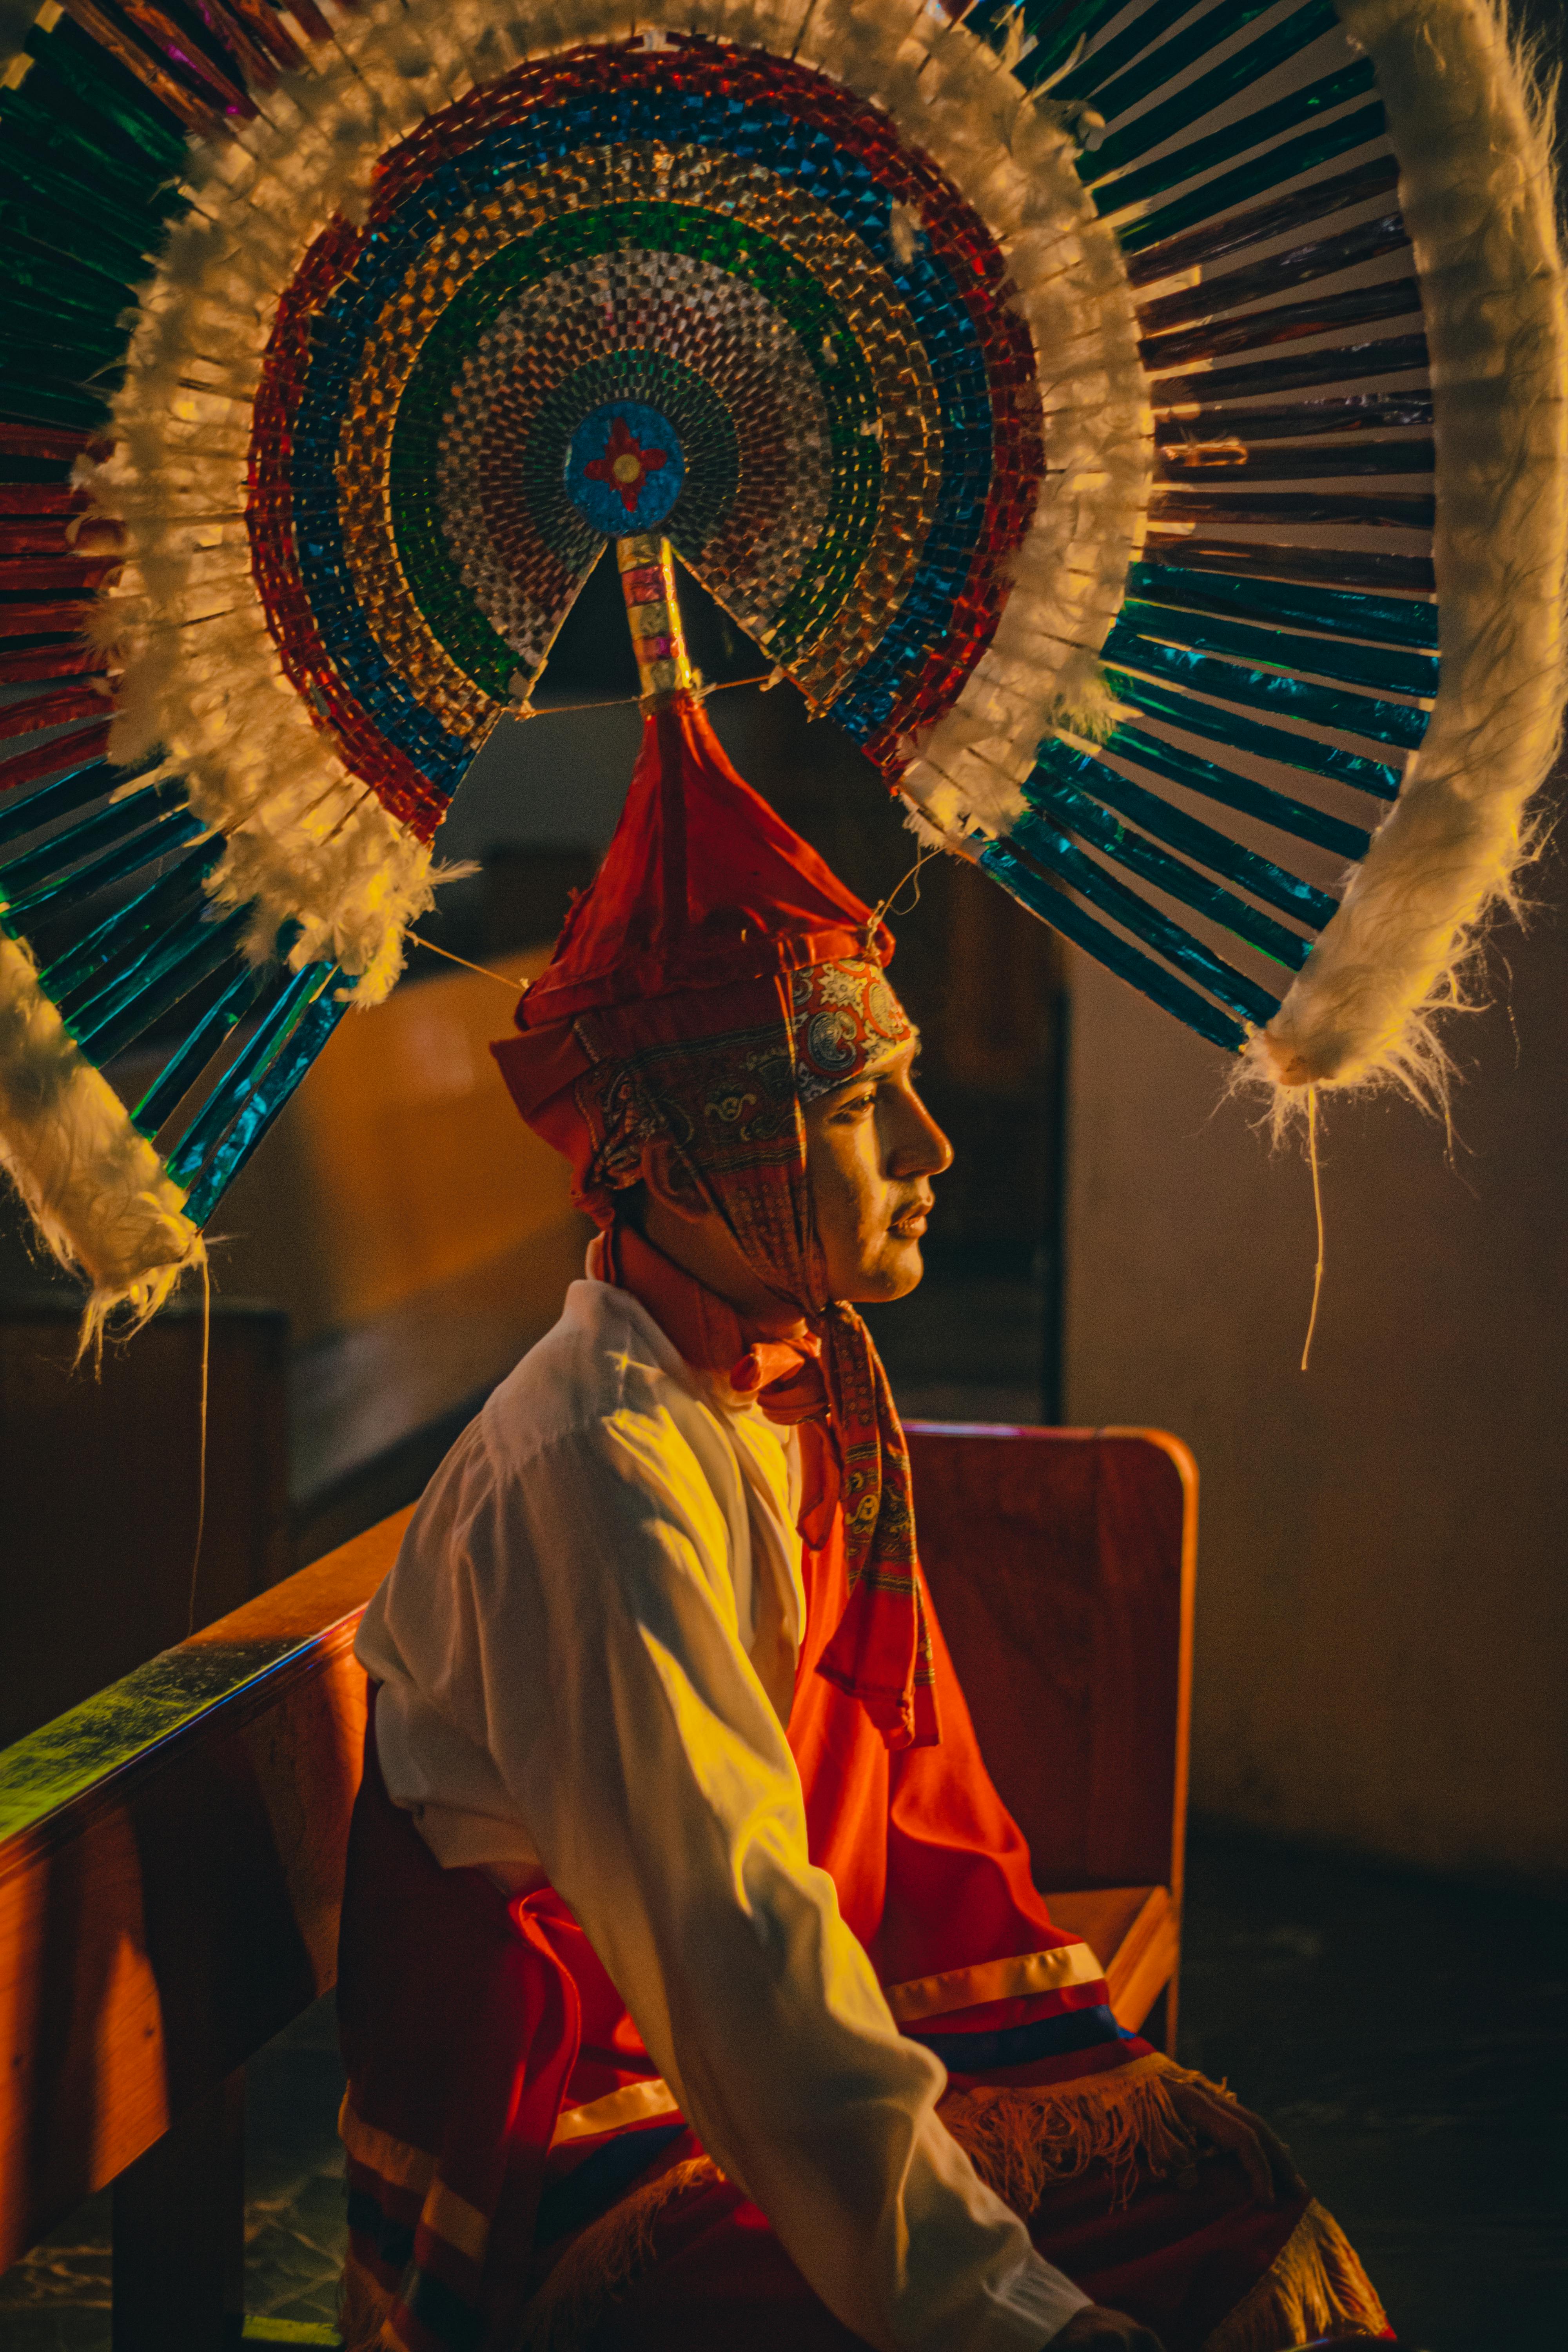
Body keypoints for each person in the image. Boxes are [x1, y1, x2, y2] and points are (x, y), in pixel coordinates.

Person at [335, 650, 1390, 2352]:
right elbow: (732, 1955)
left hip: (724, 2048)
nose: (933, 1146)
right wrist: (1011, 2321)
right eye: (855, 1103)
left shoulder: (782, 1378)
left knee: (1230, 2213)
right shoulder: (601, 1477)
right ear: (687, 1160)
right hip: (609, 2134)